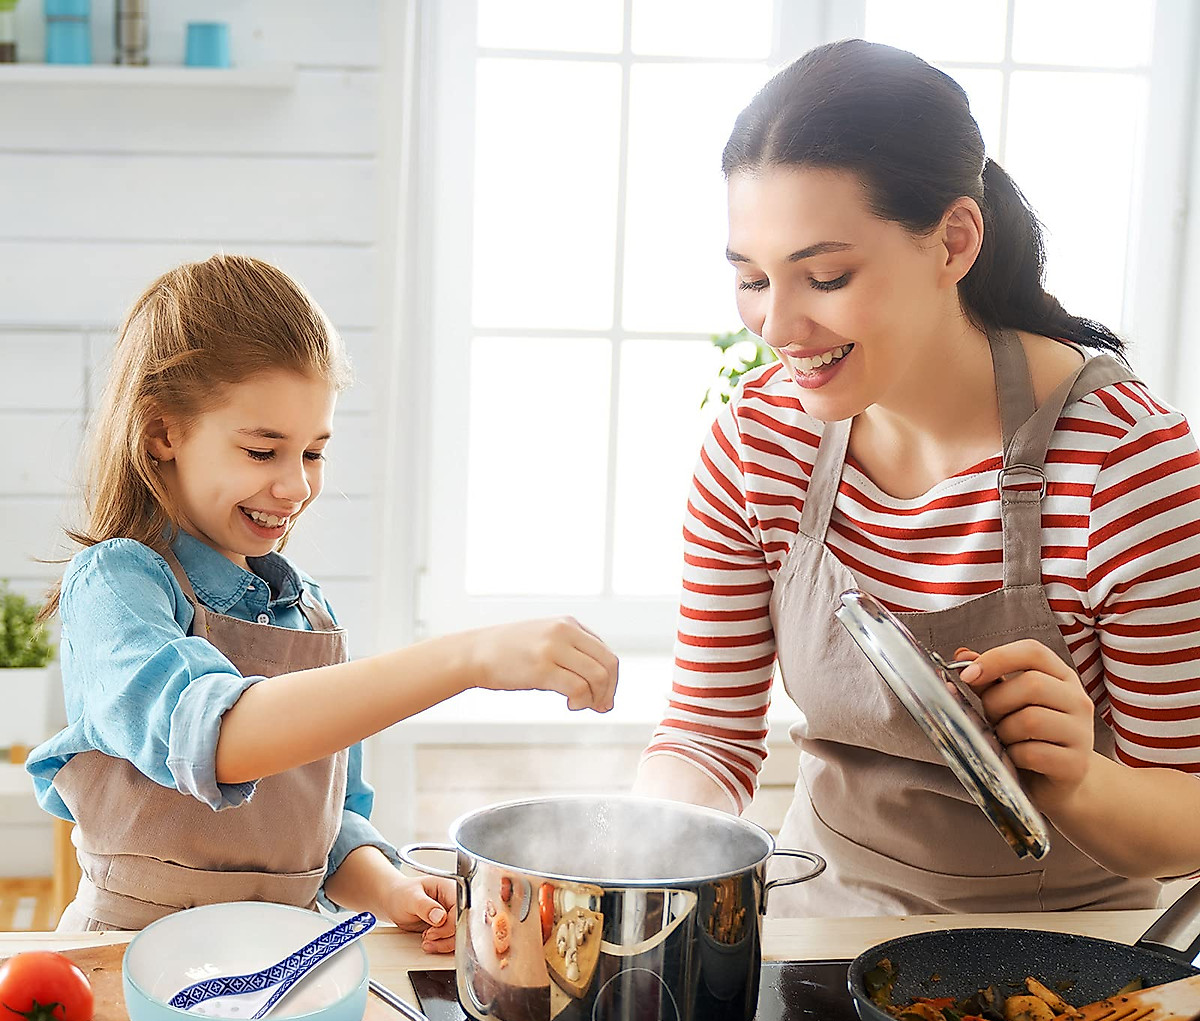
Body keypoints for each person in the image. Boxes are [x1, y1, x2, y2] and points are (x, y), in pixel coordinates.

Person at [634, 40, 1200, 916]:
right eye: (751, 280)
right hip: (818, 921)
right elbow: (708, 736)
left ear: (955, 240)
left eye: (824, 276)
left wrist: (1077, 776)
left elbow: (1188, 816)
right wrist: (630, 860)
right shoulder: (757, 442)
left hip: (1071, 951)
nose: (777, 327)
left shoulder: (1126, 464)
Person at [29, 254, 619, 940]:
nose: (296, 487)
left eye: (313, 452)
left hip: (287, 960)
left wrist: (390, 889)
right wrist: (471, 658)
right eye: (262, 451)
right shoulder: (117, 586)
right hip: (127, 961)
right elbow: (219, 739)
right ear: (163, 433)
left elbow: (322, 823)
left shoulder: (308, 614)